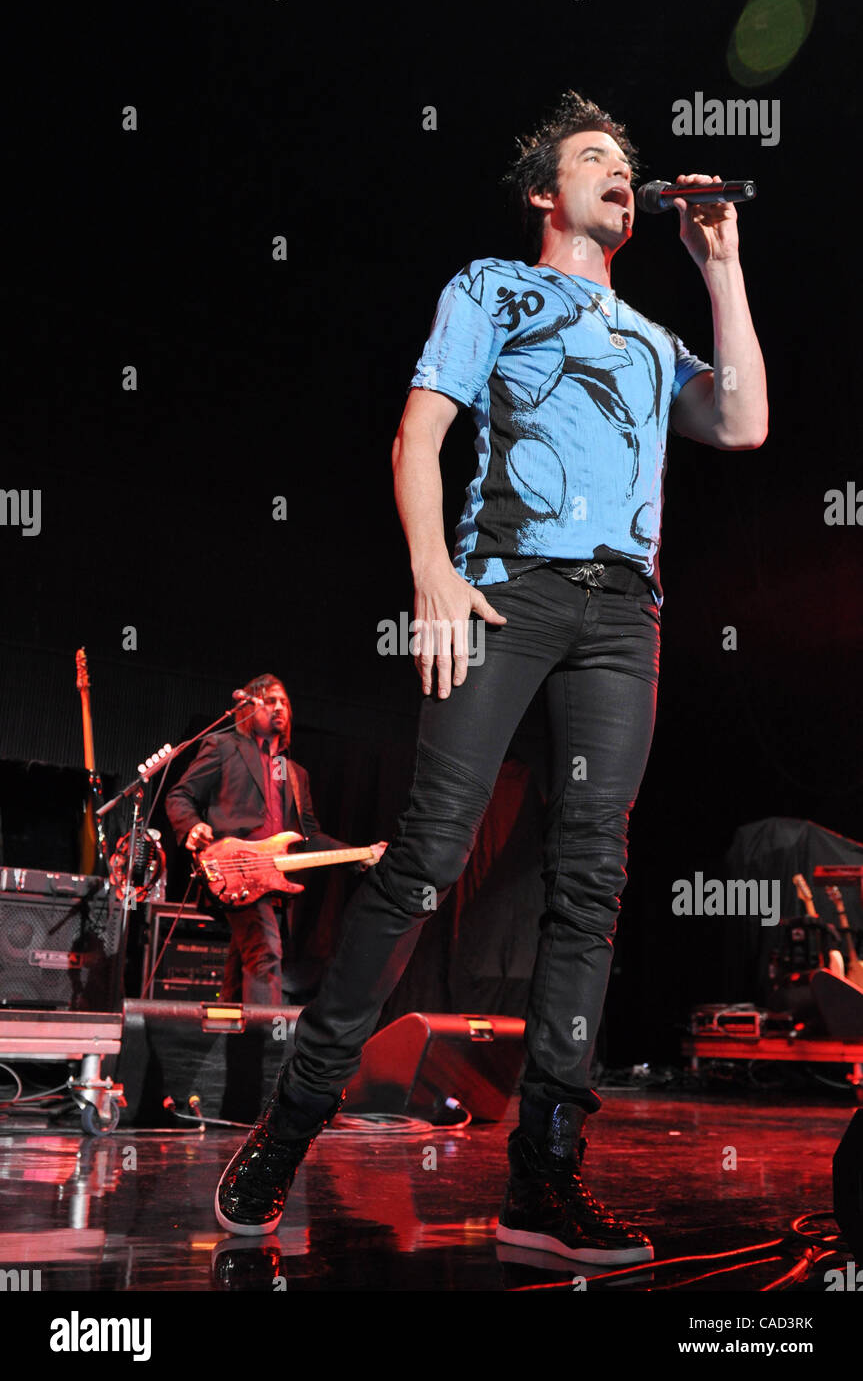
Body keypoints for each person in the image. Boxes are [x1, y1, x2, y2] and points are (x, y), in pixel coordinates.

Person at [214, 91, 767, 1259]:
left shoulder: (652, 339)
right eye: (593, 157)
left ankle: (540, 1179)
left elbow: (744, 422)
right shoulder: (490, 287)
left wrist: (718, 269)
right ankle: (292, 1118)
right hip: (504, 592)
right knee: (424, 856)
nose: (620, 173)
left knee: (590, 880)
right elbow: (419, 435)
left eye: (627, 162)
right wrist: (430, 574)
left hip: (624, 612)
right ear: (542, 192)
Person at [165, 673, 387, 1006]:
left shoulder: (293, 773)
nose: (280, 707)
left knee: (244, 967)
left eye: (284, 701)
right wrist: (193, 827)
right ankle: (267, 1046)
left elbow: (309, 838)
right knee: (266, 955)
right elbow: (180, 795)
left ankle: (222, 1045)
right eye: (270, 701)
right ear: (249, 707)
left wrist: (362, 853)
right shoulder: (224, 747)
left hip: (271, 881)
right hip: (233, 869)